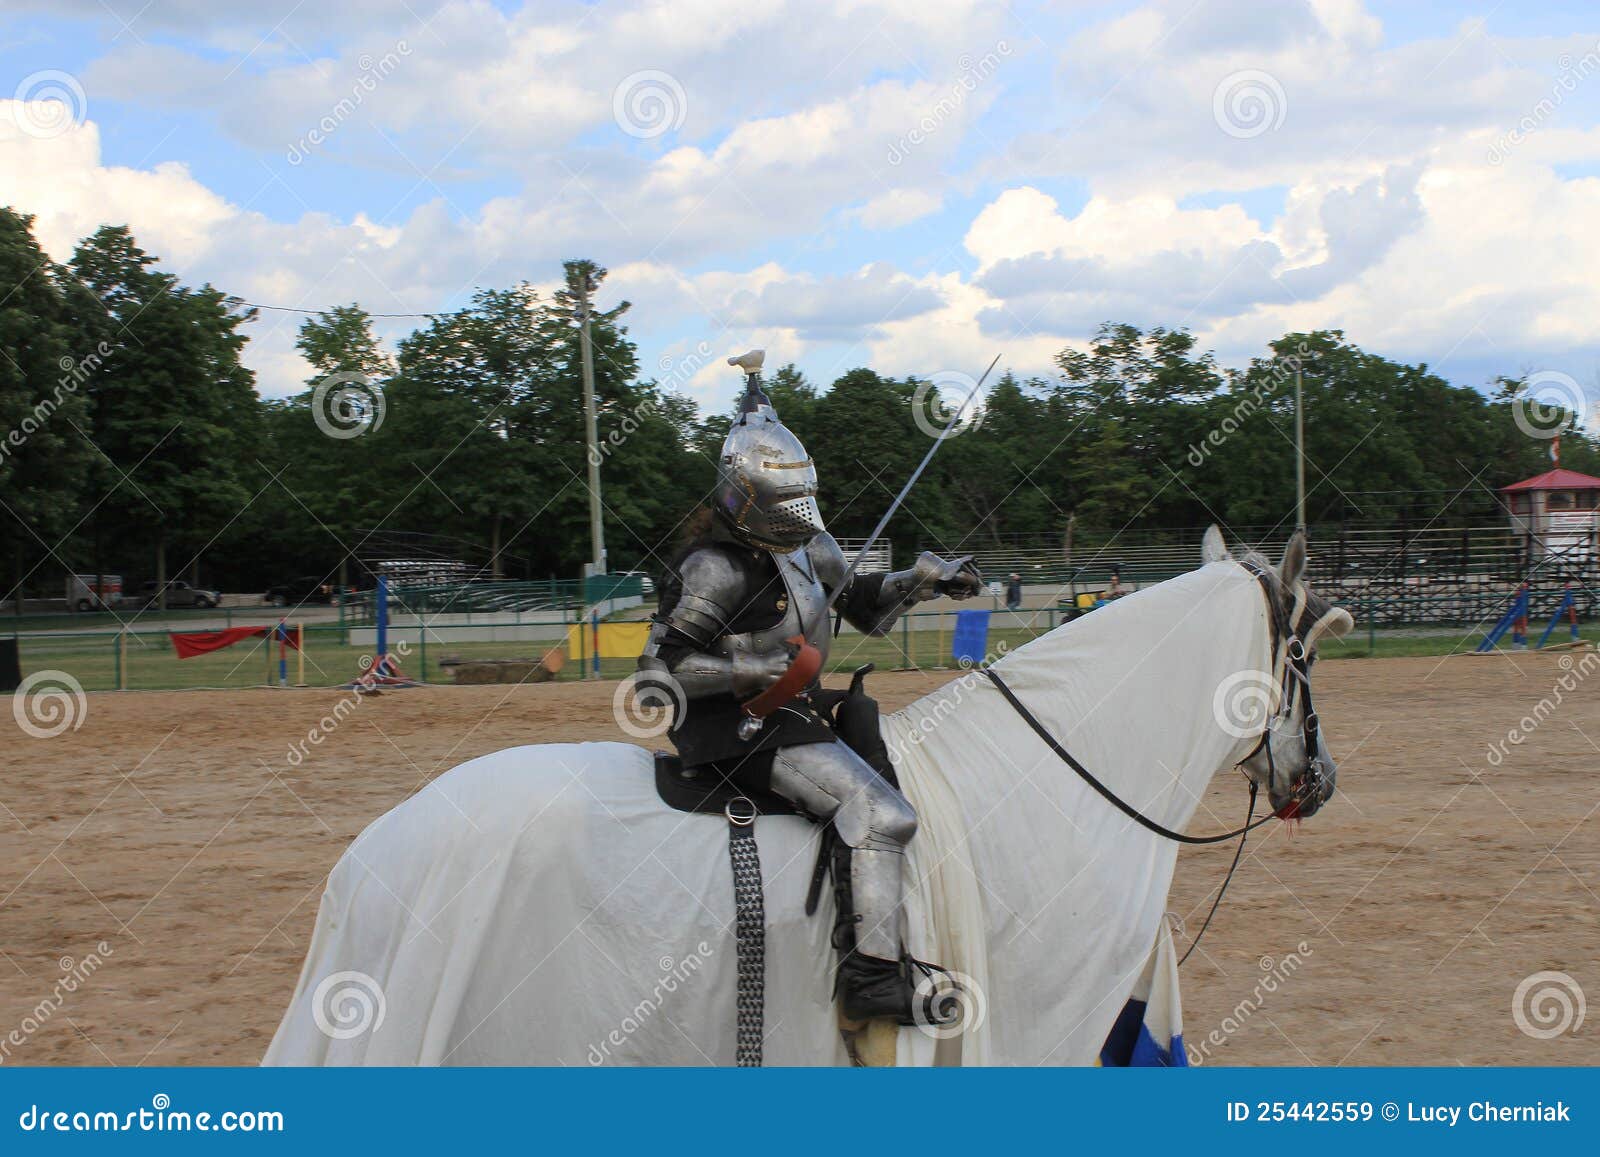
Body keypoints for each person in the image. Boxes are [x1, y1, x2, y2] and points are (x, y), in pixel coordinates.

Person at [637, 350, 983, 1024]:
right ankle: (873, 979)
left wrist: (922, 579)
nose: (800, 515)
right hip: (735, 727)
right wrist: (749, 671)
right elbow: (656, 677)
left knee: (876, 736)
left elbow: (864, 608)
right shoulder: (713, 567)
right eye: (783, 503)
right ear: (741, 498)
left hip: (795, 706)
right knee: (884, 815)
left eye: (803, 499)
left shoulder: (805, 545)